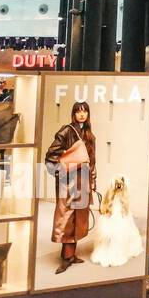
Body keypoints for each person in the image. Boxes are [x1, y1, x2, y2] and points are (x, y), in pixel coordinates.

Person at [45, 101, 97, 274]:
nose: (82, 114)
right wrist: (62, 173)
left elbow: (92, 162)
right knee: (66, 217)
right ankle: (67, 257)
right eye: (78, 111)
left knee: (79, 218)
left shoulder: (89, 135)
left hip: (83, 180)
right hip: (68, 181)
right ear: (73, 113)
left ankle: (70, 254)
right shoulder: (66, 131)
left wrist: (93, 182)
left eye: (85, 111)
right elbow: (51, 156)